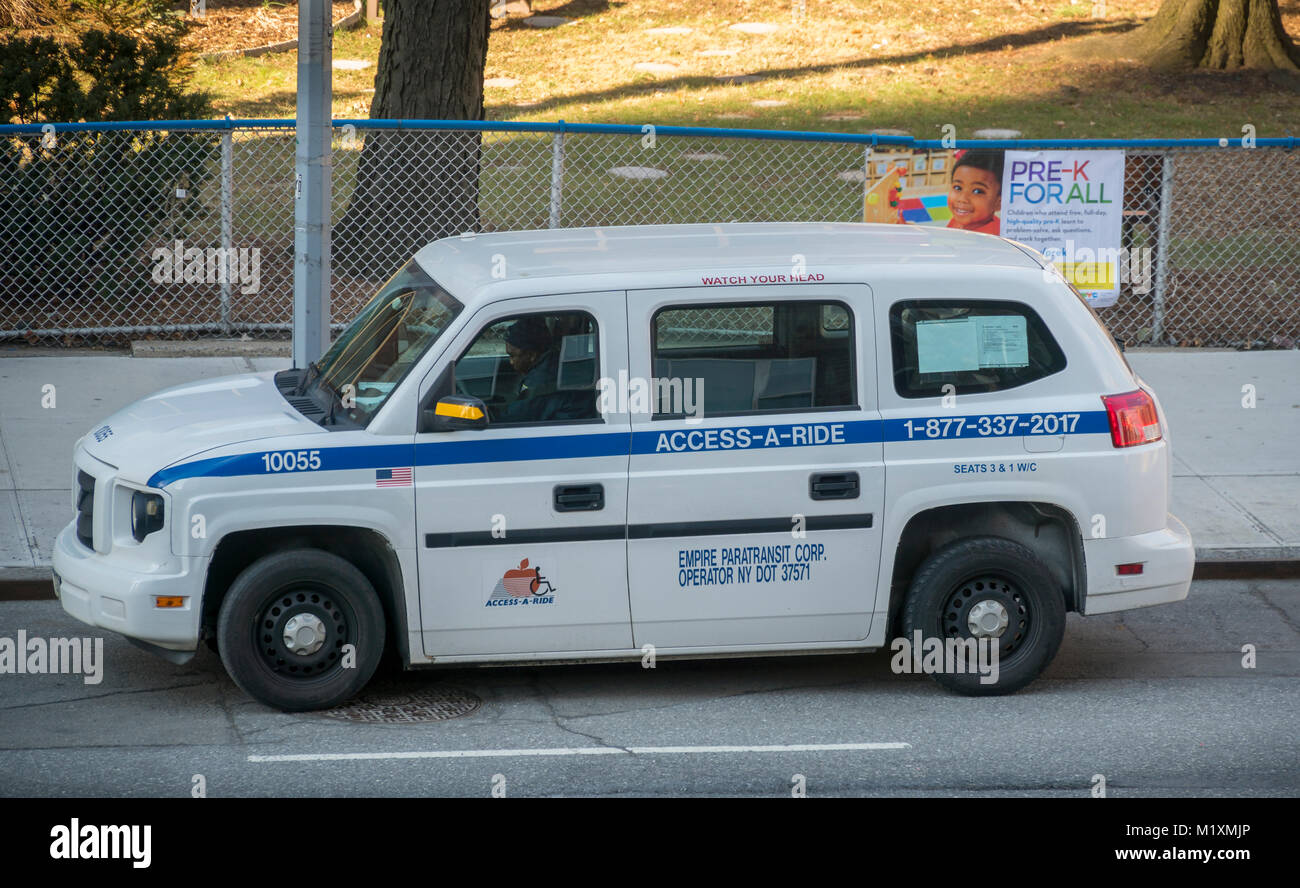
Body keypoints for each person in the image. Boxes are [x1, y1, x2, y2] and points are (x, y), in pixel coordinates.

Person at [945, 149, 1003, 234]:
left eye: (977, 191)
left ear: (999, 203)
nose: (962, 199)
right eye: (958, 188)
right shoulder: (956, 222)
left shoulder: (995, 238)